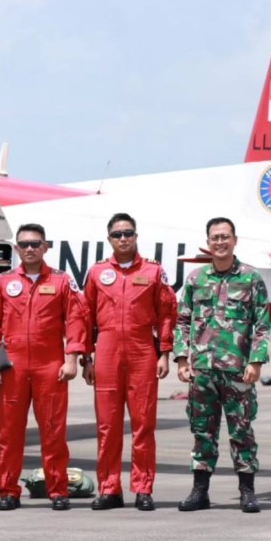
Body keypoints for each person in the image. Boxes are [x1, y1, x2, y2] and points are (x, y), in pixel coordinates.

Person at [0, 223, 88, 511]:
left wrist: (71, 358)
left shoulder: (62, 281)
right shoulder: (3, 282)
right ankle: (8, 491)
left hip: (49, 365)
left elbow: (76, 320)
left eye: (35, 244)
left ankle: (58, 491)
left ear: (45, 247)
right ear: (16, 248)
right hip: (12, 366)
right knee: (9, 433)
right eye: (24, 244)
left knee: (53, 432)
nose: (29, 249)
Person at [174, 217, 270, 513]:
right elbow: (182, 321)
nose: (220, 242)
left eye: (225, 237)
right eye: (215, 237)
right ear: (208, 242)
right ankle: (200, 492)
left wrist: (256, 361)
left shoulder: (251, 279)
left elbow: (262, 324)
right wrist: (181, 359)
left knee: (242, 431)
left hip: (238, 371)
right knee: (202, 431)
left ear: (235, 241)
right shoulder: (195, 279)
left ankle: (247, 491)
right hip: (202, 371)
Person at [82, 213, 176, 511]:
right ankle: (109, 488)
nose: (123, 239)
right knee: (107, 426)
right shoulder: (96, 273)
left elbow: (166, 313)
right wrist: (86, 357)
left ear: (136, 236)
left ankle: (143, 488)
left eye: (128, 233)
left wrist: (164, 352)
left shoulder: (153, 271)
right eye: (117, 234)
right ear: (109, 239)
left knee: (143, 424)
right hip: (107, 349)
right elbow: (84, 316)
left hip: (141, 350)